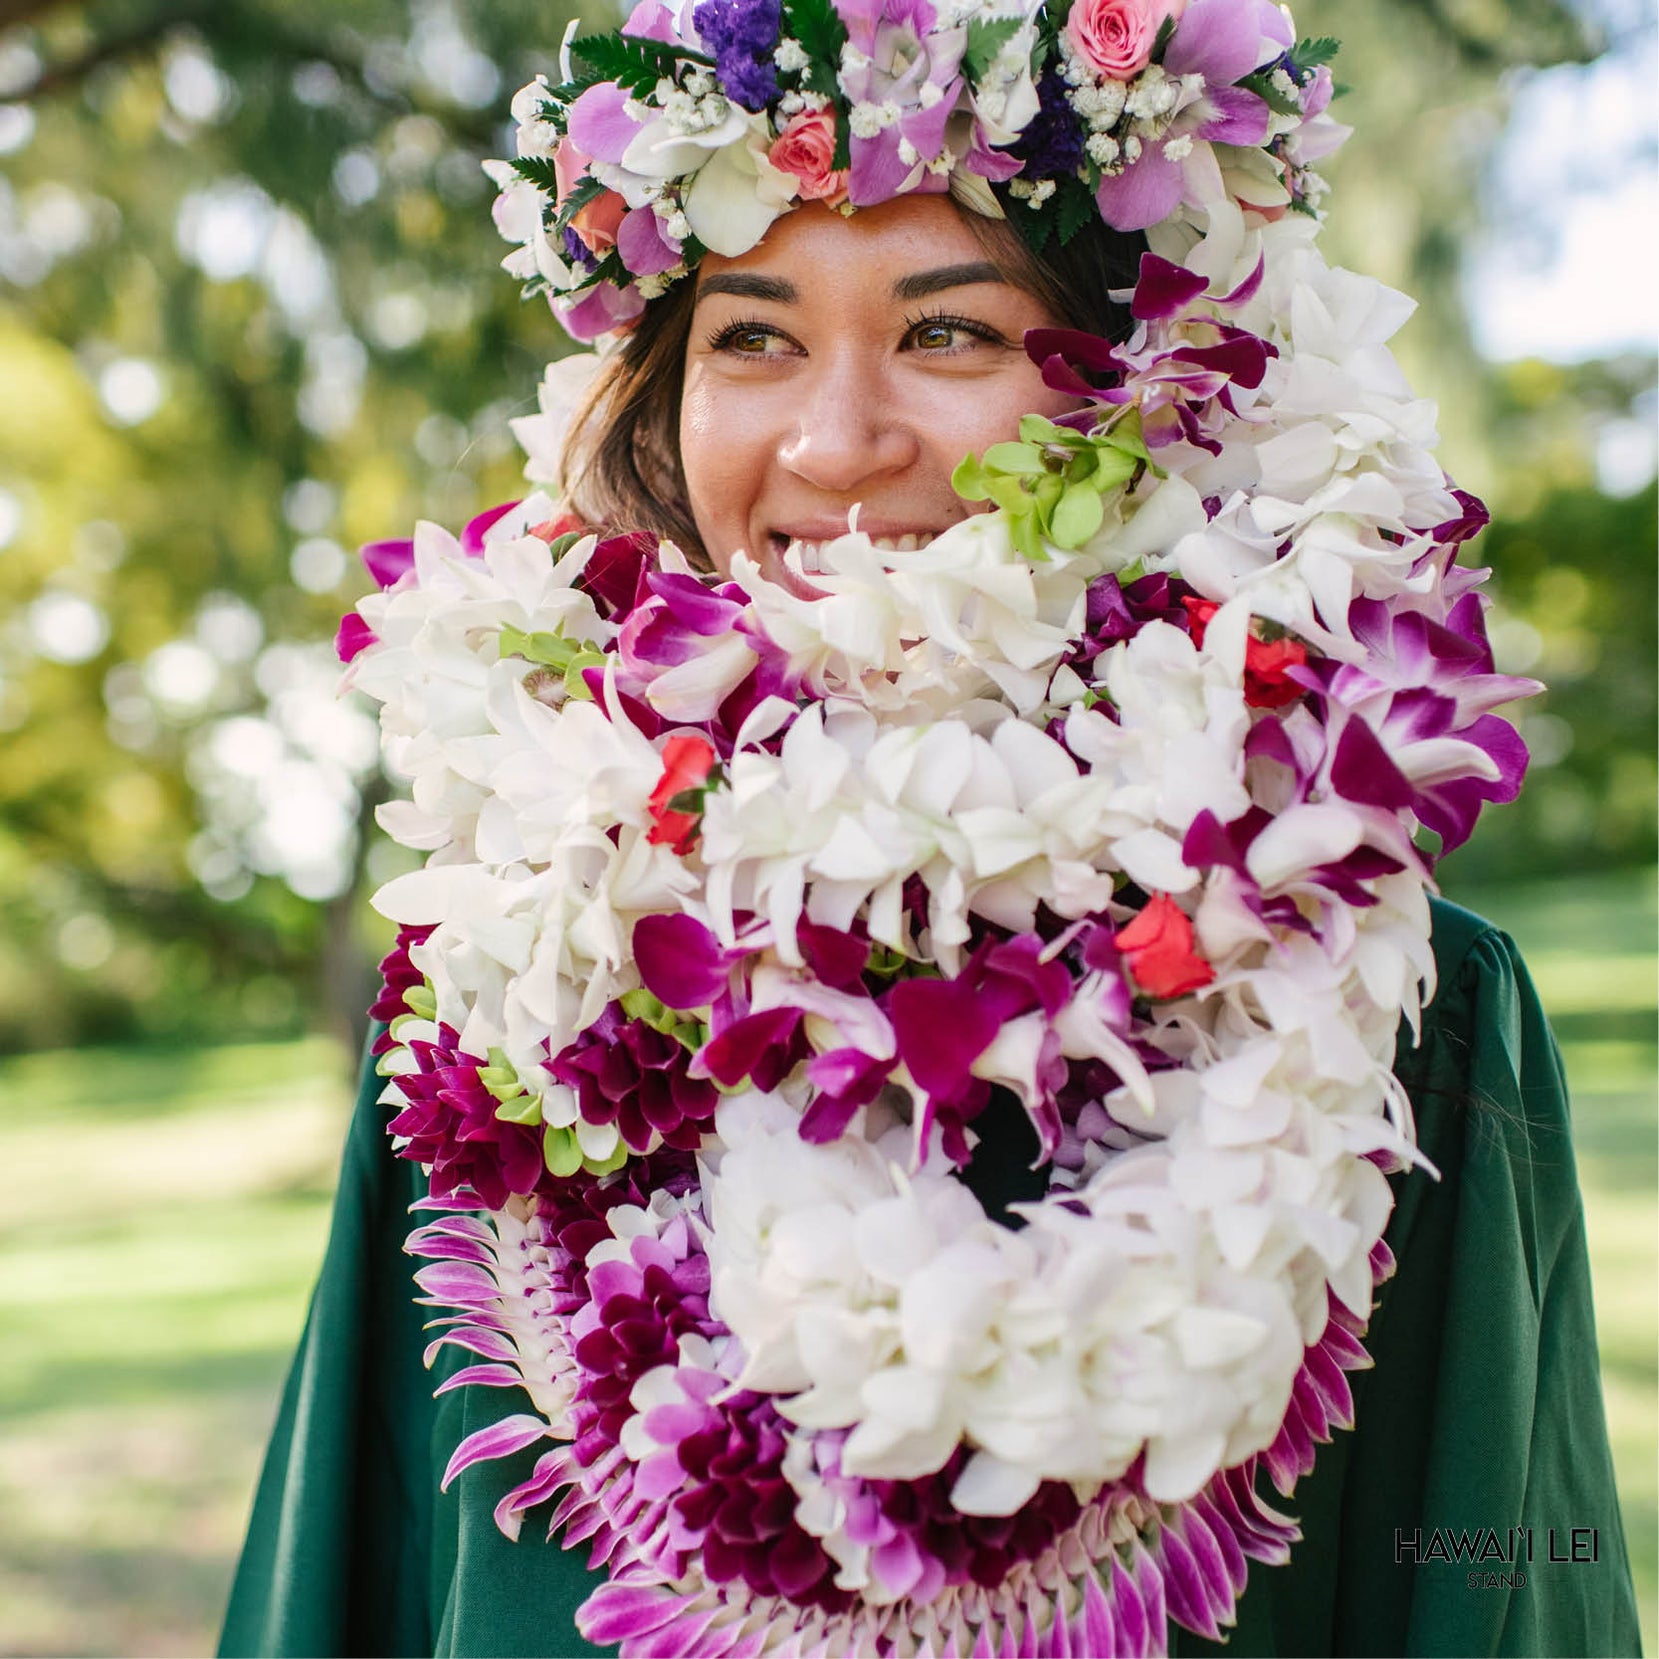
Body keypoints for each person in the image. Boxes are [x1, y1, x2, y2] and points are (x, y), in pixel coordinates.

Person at [220, 3, 1641, 1654]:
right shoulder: (494, 987)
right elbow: (363, 1587)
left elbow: (1491, 1586)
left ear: (1151, 398)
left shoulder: (1412, 1017)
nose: (838, 445)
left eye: (949, 334)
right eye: (750, 340)